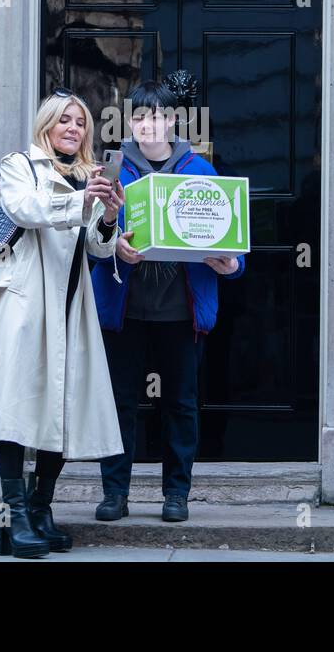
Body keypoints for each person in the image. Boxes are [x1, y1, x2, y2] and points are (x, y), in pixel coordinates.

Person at [0, 89, 125, 558]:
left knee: (64, 404)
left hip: (71, 304)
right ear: (46, 125)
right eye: (64, 120)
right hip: (25, 301)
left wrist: (108, 216)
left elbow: (98, 247)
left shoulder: (88, 176)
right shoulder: (21, 165)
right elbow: (24, 210)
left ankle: (40, 507)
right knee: (13, 402)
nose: (74, 128)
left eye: (81, 123)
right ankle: (11, 517)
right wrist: (82, 202)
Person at [88, 80, 245, 523]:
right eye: (140, 117)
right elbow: (88, 237)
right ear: (130, 122)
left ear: (172, 120)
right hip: (125, 310)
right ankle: (115, 493)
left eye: (157, 117)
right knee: (119, 404)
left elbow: (234, 250)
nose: (148, 125)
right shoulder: (113, 171)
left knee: (179, 404)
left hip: (181, 312)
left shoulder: (201, 171)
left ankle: (177, 495)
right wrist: (113, 243)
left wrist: (229, 266)